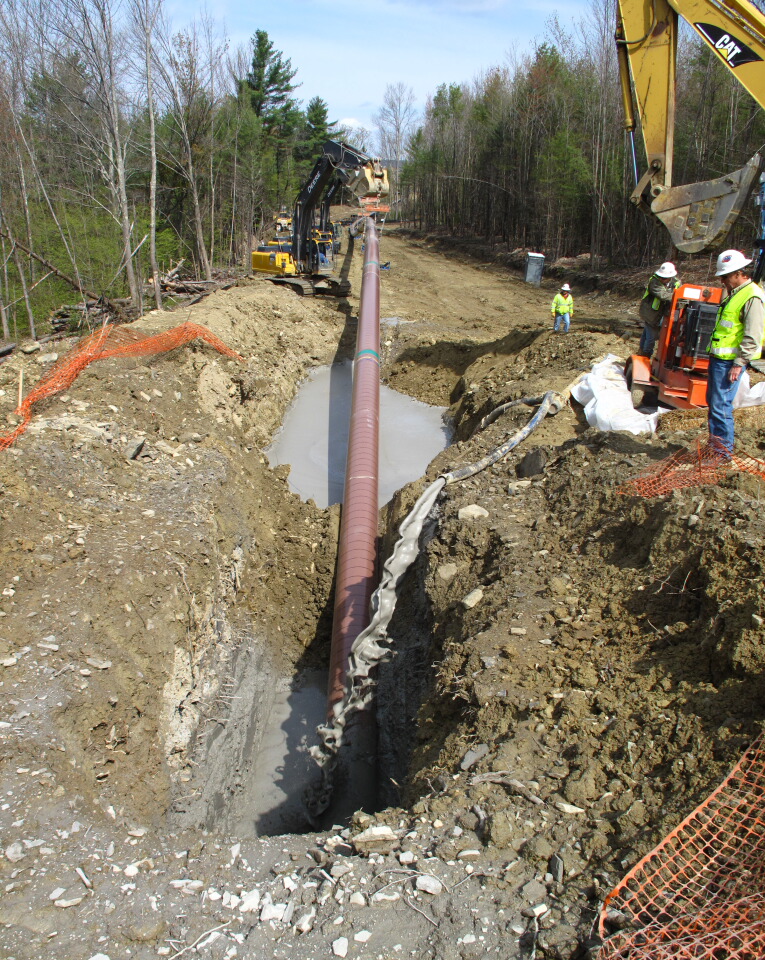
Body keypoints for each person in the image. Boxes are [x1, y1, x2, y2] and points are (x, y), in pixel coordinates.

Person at [707, 249, 765, 453]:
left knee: (720, 407)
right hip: (719, 359)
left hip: (729, 362)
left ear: (738, 273)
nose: (722, 281)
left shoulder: (752, 296)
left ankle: (721, 454)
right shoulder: (736, 294)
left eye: (725, 276)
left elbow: (753, 334)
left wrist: (739, 363)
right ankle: (715, 448)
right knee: (714, 405)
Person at [639, 262, 680, 357]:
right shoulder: (654, 282)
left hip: (662, 314)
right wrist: (678, 296)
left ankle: (641, 353)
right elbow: (664, 296)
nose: (662, 279)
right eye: (661, 277)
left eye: (664, 278)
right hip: (650, 314)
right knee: (651, 338)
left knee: (647, 334)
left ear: (671, 277)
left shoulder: (677, 283)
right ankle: (645, 356)